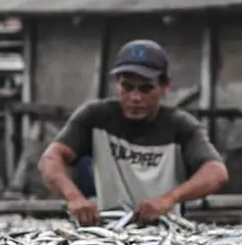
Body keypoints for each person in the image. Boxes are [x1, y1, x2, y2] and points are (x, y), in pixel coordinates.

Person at [37, 39, 228, 226]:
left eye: (146, 89)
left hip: (165, 231)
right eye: (127, 87)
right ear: (117, 85)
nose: (135, 97)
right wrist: (74, 197)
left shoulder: (180, 125)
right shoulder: (95, 117)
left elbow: (216, 173)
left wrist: (169, 199)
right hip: (109, 230)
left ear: (164, 87)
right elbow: (51, 159)